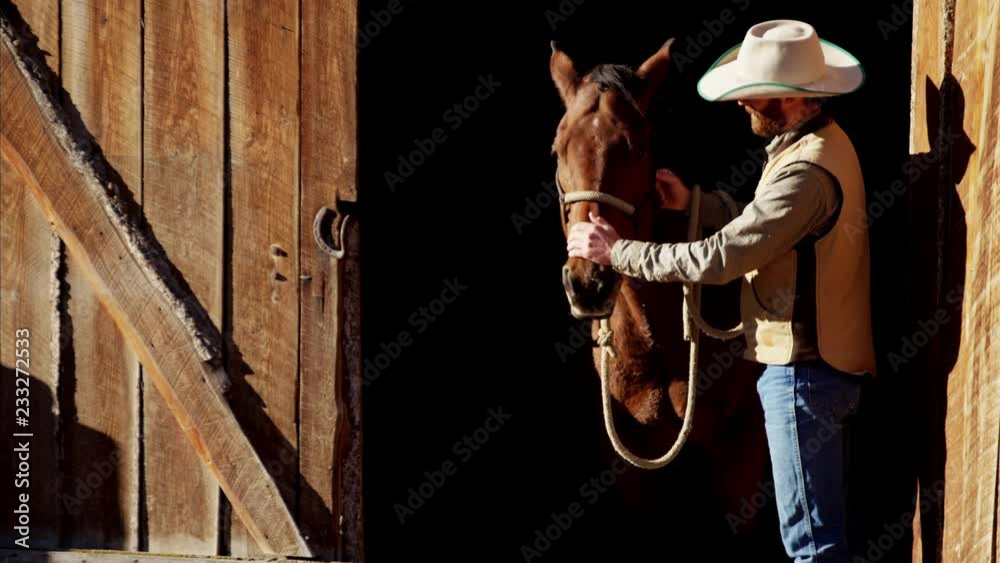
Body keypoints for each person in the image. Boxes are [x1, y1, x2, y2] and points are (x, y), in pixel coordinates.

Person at [566, 20, 875, 563]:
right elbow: (772, 230)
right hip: (807, 368)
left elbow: (722, 257)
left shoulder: (805, 171)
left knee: (813, 545)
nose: (741, 104)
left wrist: (618, 254)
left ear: (788, 97)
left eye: (751, 93)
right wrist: (696, 205)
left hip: (800, 371)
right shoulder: (812, 146)